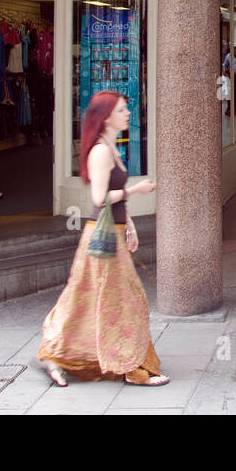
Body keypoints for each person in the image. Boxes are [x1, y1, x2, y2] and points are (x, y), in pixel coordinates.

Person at [39, 91, 168, 388]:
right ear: (106, 117)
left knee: (89, 299)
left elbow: (113, 201)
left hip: (113, 233)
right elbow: (100, 198)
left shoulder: (111, 147)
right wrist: (136, 191)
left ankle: (61, 356)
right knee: (121, 299)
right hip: (103, 238)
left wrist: (130, 223)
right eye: (122, 110)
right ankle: (130, 366)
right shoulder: (101, 151)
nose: (128, 114)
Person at [222, 43, 236, 117]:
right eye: (234, 48)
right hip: (230, 76)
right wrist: (224, 72)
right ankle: (229, 109)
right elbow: (224, 65)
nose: (235, 49)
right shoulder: (229, 56)